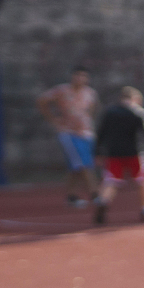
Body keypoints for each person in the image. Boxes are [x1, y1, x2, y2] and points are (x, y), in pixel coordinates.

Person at [92, 85, 144, 225]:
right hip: (135, 152)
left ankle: (103, 201)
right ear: (135, 98)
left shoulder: (109, 113)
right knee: (143, 180)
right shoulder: (138, 112)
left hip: (113, 153)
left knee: (111, 181)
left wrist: (98, 152)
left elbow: (100, 133)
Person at [37, 65, 99, 206]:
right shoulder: (62, 90)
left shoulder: (90, 93)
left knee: (76, 166)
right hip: (69, 133)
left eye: (83, 76)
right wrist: (53, 119)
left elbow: (92, 110)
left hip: (86, 133)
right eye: (77, 75)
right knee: (84, 164)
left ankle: (71, 196)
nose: (80, 79)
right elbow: (42, 100)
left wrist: (88, 122)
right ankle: (95, 194)